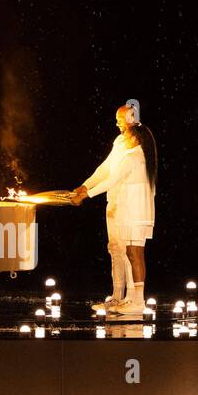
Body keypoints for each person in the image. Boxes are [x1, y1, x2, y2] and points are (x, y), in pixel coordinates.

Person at [72, 103, 158, 315]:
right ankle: (118, 296)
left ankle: (133, 298)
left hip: (132, 207)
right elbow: (105, 170)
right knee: (116, 249)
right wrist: (86, 185)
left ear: (130, 122)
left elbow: (114, 178)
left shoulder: (136, 153)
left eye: (120, 120)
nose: (117, 123)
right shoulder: (121, 143)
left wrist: (87, 194)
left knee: (132, 251)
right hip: (118, 204)